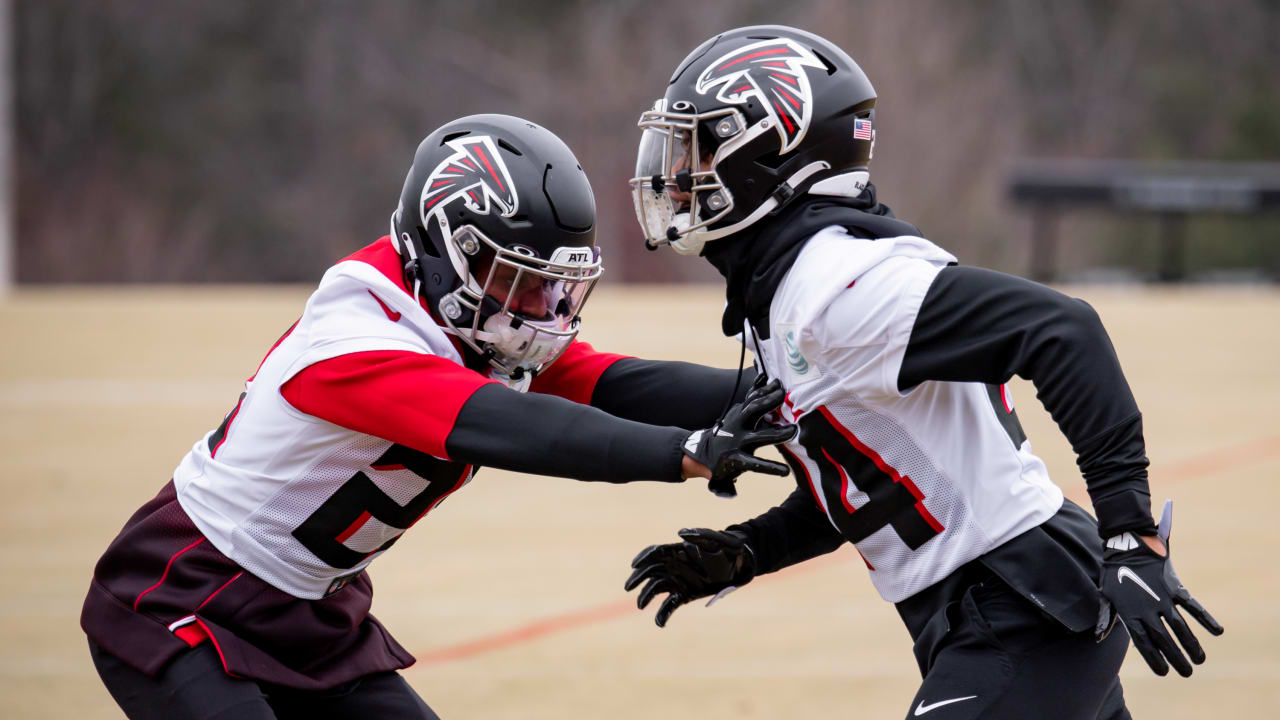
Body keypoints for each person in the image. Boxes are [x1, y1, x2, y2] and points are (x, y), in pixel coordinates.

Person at [80, 113, 796, 719]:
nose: (537, 311)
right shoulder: (353, 341)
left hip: (315, 613)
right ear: (444, 248)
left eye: (551, 288)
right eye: (514, 279)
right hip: (188, 598)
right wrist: (685, 451)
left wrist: (795, 389)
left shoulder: (455, 312)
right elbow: (512, 427)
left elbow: (607, 380)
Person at [621, 25, 1223, 720]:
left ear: (772, 153)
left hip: (1023, 606)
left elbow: (1063, 329)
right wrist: (753, 548)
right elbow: (876, 484)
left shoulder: (838, 285)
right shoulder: (792, 288)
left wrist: (1131, 534)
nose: (673, 175)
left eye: (698, 146)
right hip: (1001, 609)